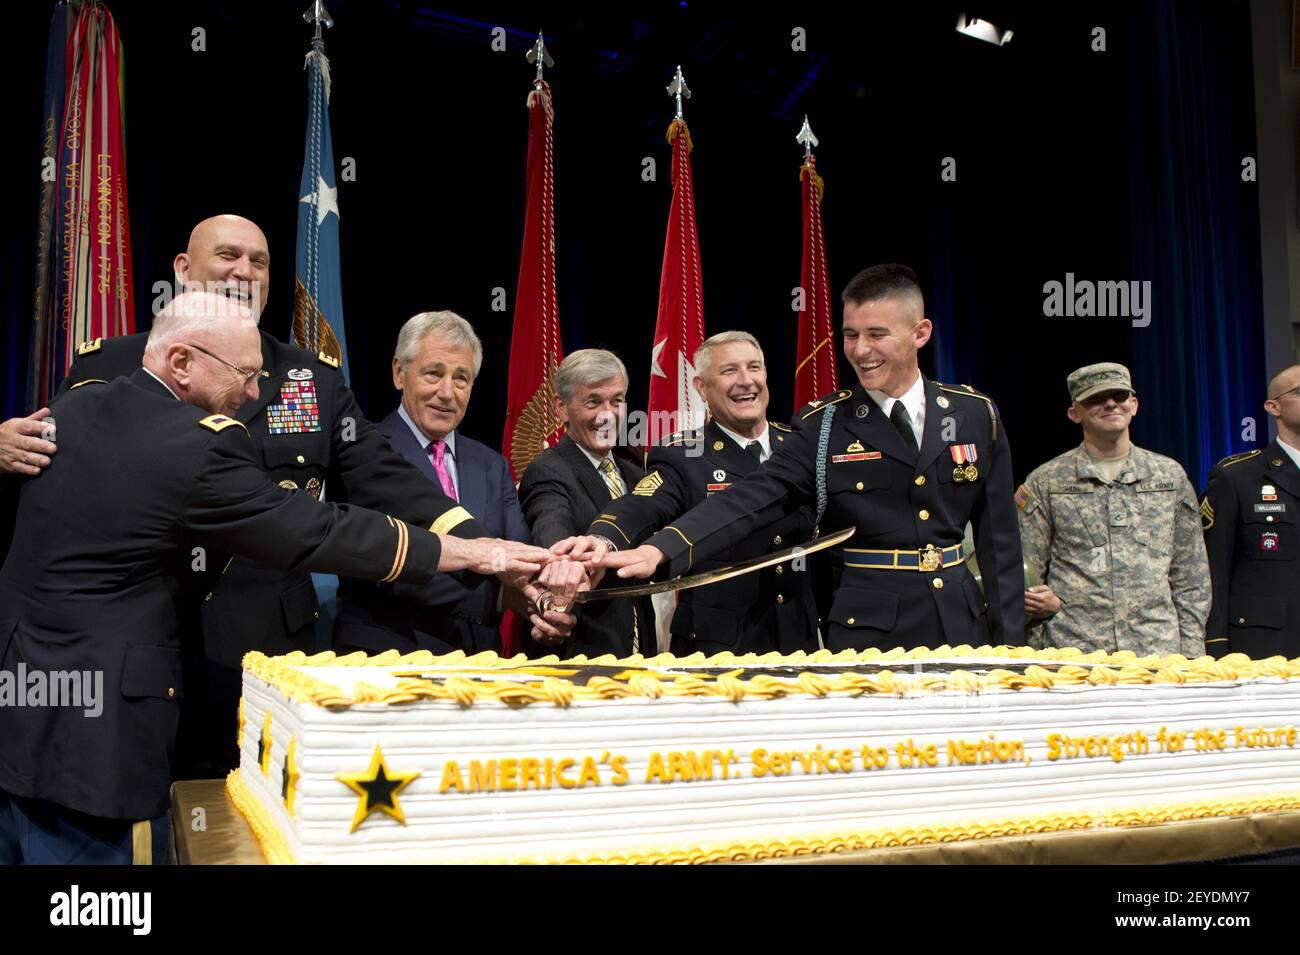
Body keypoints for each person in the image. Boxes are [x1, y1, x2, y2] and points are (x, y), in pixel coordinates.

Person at [0, 292, 561, 864]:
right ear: (181, 363)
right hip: (99, 749)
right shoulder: (197, 448)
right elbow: (313, 530)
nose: (252, 393)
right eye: (244, 375)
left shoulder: (73, 408)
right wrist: (467, 554)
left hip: (23, 707)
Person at [591, 263, 1025, 651]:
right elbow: (751, 496)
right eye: (851, 335)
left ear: (920, 333)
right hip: (868, 633)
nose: (859, 350)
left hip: (960, 623)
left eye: (877, 334)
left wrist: (1013, 649)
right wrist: (660, 549)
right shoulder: (824, 425)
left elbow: (999, 545)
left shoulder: (974, 413)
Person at [585, 331, 818, 655]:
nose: (746, 381)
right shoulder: (684, 454)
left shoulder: (798, 446)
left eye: (754, 368)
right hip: (717, 651)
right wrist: (602, 539)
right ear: (701, 388)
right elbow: (642, 504)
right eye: (729, 371)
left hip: (799, 642)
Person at [333, 311, 530, 655]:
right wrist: (503, 595)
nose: (446, 392)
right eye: (433, 373)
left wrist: (542, 587)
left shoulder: (491, 465)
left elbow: (517, 549)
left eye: (461, 379)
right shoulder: (364, 453)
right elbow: (383, 569)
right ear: (399, 373)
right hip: (388, 663)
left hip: (483, 665)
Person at [1016, 363, 1209, 656]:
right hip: (1074, 651)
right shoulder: (1047, 481)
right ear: (1074, 413)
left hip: (1157, 651)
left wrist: (1193, 653)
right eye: (1095, 399)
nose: (1110, 404)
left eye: (1119, 396)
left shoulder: (1169, 477)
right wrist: (1038, 629)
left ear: (1134, 405)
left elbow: (1191, 575)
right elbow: (1023, 572)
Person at [518, 349, 654, 657]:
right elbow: (556, 540)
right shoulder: (548, 469)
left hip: (642, 657)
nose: (608, 414)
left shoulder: (636, 474)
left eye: (616, 401)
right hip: (578, 657)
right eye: (593, 402)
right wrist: (563, 563)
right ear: (561, 409)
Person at [1201, 364, 1300, 659]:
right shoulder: (1237, 477)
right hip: (1266, 646)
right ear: (1273, 407)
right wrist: (1215, 644)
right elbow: (1213, 571)